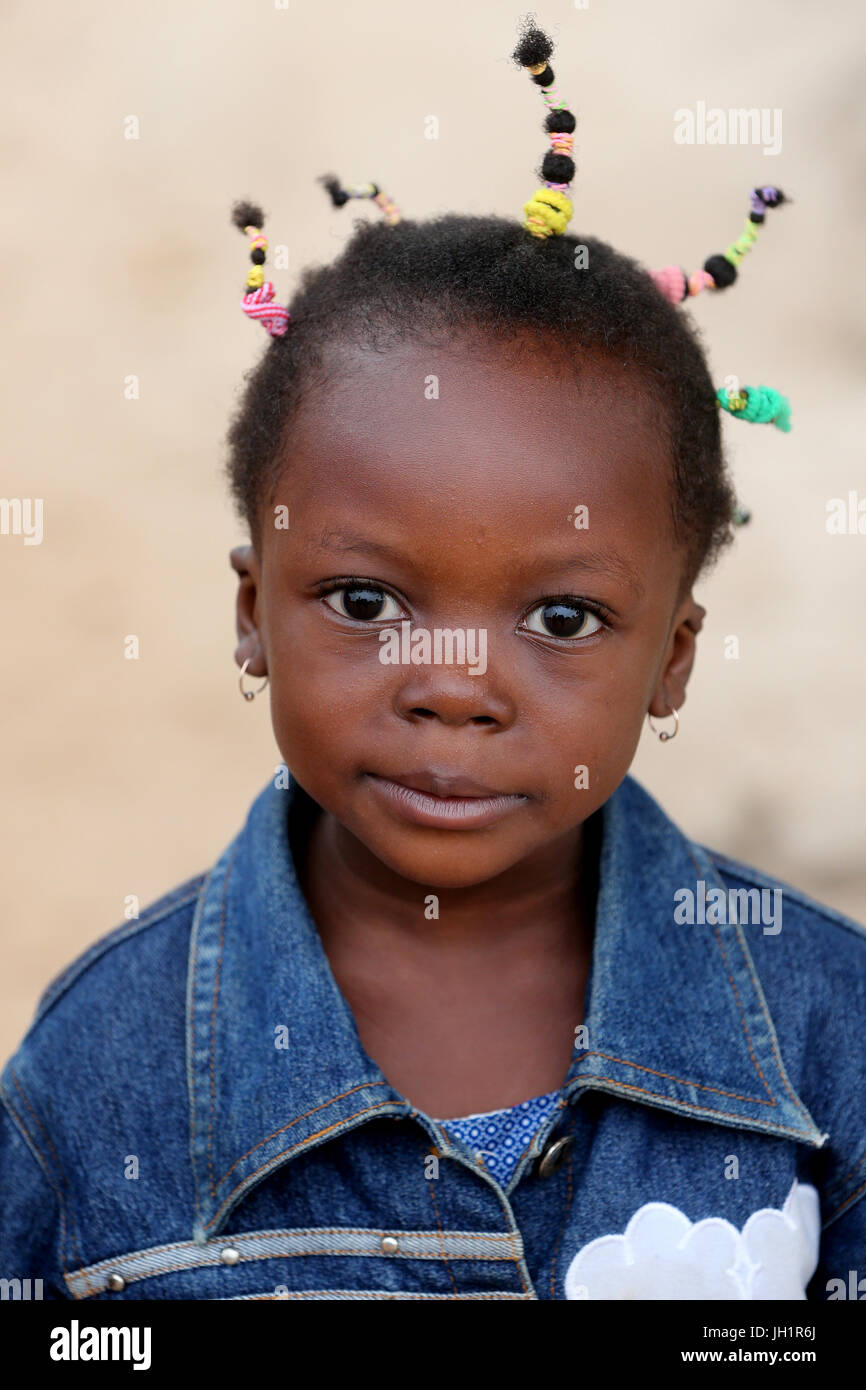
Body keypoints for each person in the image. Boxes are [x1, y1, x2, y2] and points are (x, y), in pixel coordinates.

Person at [1, 21, 863, 1302]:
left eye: (561, 619)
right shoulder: (92, 1072)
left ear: (672, 660)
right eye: (363, 599)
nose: (452, 682)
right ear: (252, 614)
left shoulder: (826, 1029)